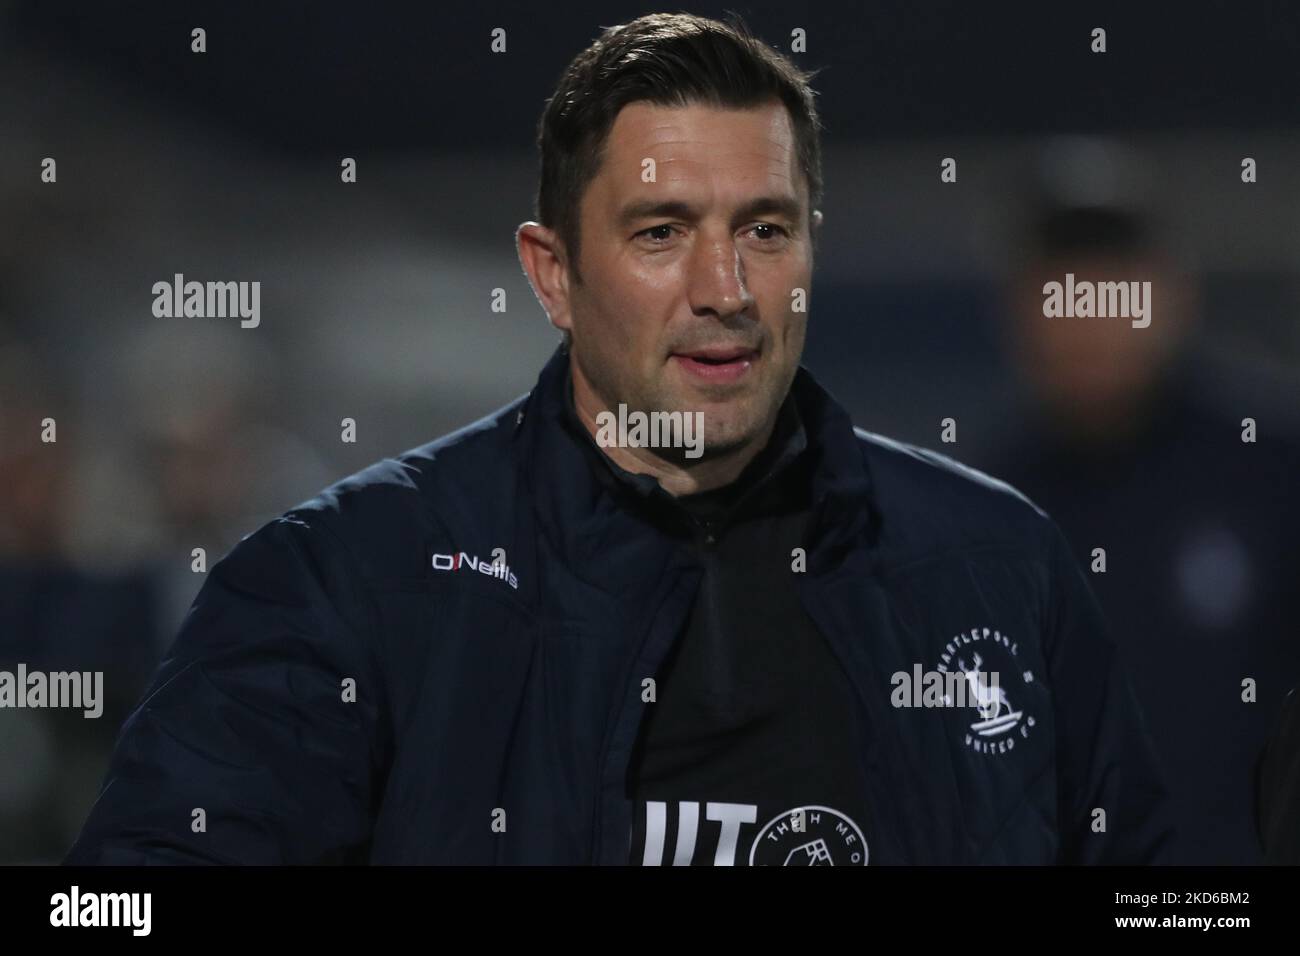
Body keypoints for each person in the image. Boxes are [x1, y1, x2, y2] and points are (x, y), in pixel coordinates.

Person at [65, 12, 1173, 866]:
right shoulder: (348, 581)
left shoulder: (992, 567)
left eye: (764, 231)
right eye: (661, 233)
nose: (724, 289)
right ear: (553, 273)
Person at [986, 138, 1300, 864]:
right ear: (1015, 309)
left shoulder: (1274, 472)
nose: (1088, 316)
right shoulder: (984, 508)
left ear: (1174, 293)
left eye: (1114, 285)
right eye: (1062, 287)